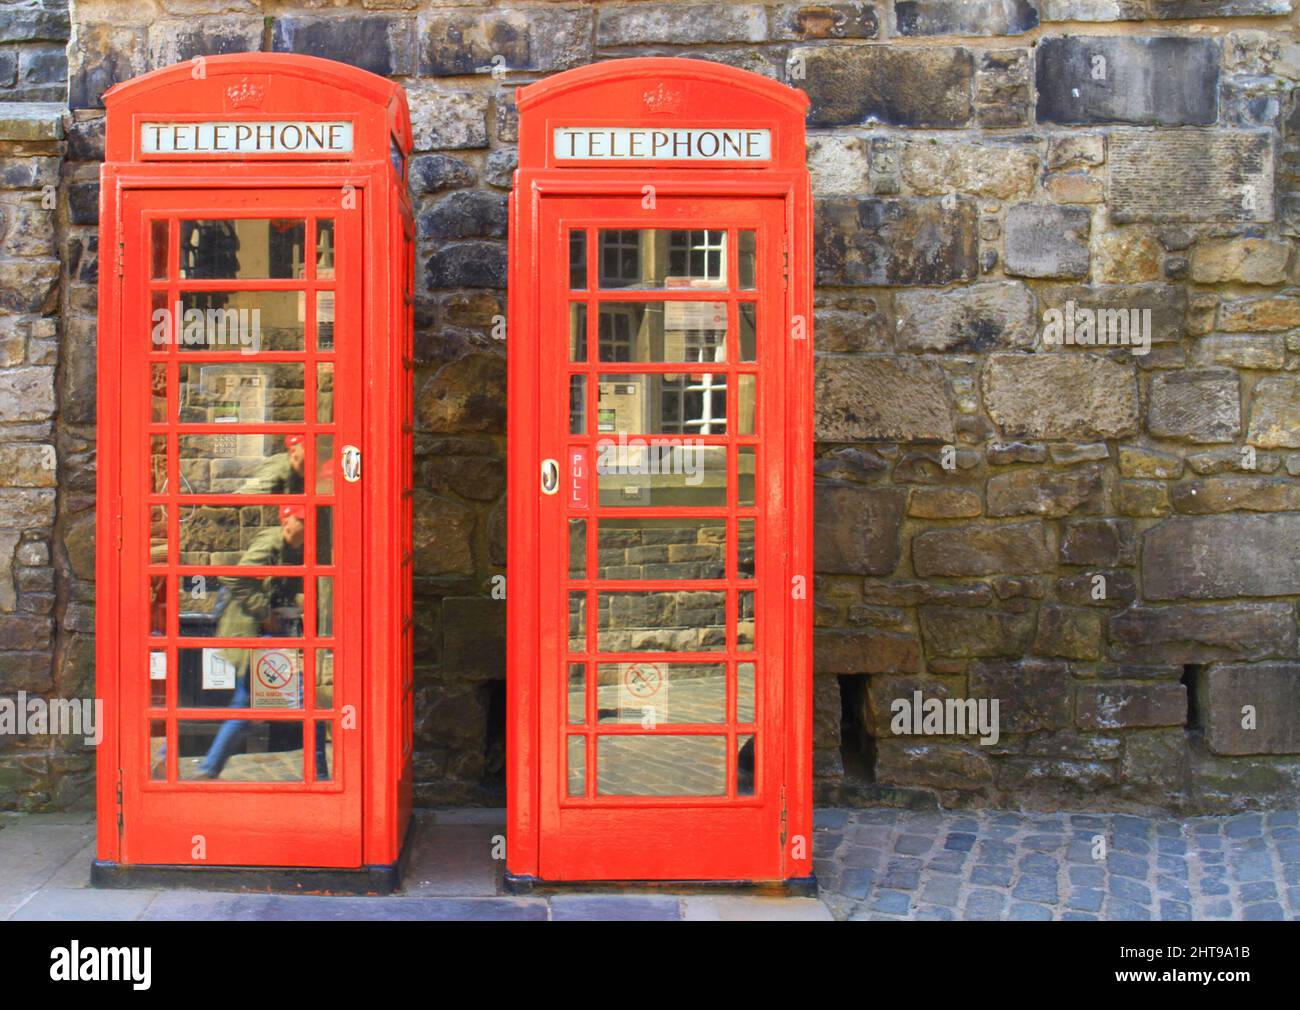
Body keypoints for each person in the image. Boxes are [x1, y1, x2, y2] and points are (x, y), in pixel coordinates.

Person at [197, 504, 330, 780]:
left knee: (244, 706)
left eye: (309, 521)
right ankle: (320, 778)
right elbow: (233, 576)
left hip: (271, 636)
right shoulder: (271, 543)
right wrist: (264, 611)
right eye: (301, 520)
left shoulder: (297, 548)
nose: (307, 526)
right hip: (255, 634)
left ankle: (207, 768)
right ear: (286, 522)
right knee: (310, 711)